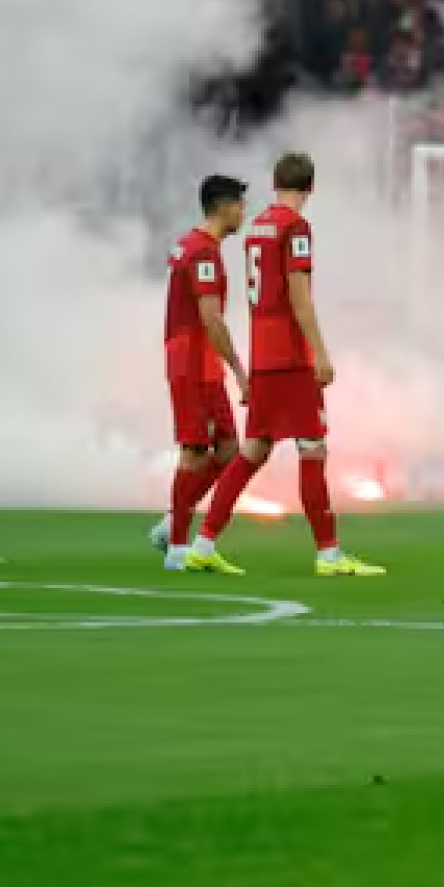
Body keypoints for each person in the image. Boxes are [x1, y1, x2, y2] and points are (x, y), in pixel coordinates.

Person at [185, 153, 383, 576]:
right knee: (312, 448)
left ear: (275, 184)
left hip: (262, 352)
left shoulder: (256, 228)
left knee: (254, 450)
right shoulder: (296, 228)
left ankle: (203, 542)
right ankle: (329, 554)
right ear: (311, 188)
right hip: (291, 357)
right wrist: (321, 354)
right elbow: (299, 298)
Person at [153, 175, 249, 571]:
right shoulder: (203, 253)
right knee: (194, 451)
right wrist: (241, 371)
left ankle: (173, 521)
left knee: (228, 450)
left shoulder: (196, 247)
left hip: (200, 360)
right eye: (240, 206)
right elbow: (211, 319)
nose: (243, 213)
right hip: (192, 359)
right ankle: (177, 546)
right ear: (223, 207)